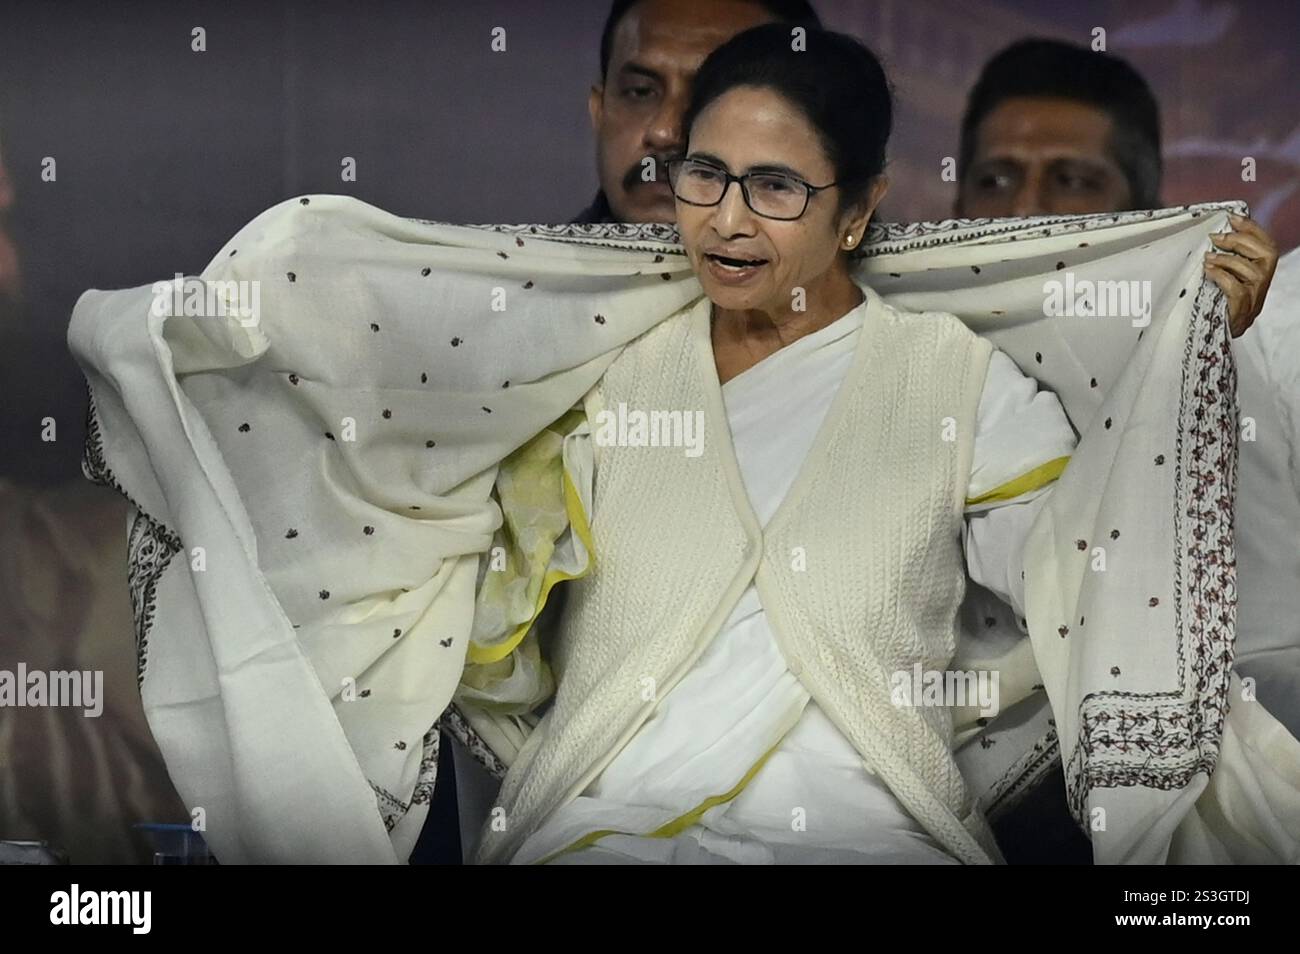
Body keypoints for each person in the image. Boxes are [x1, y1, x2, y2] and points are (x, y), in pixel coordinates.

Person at [476, 23, 1086, 865]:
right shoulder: (607, 369)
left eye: (774, 187)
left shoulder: (955, 383)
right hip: (605, 832)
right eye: (705, 175)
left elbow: (1084, 570)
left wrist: (1187, 349)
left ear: (860, 208)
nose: (726, 221)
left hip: (872, 841)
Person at [951, 38, 1297, 862]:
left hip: (1239, 737)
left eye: (1072, 180)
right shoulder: (885, 354)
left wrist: (1203, 345)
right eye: (996, 179)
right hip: (968, 782)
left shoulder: (1253, 333)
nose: (1026, 210)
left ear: (1146, 212)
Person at [571, 0, 821, 225]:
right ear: (598, 111)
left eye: (709, 96)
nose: (666, 132)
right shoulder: (537, 274)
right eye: (641, 91)